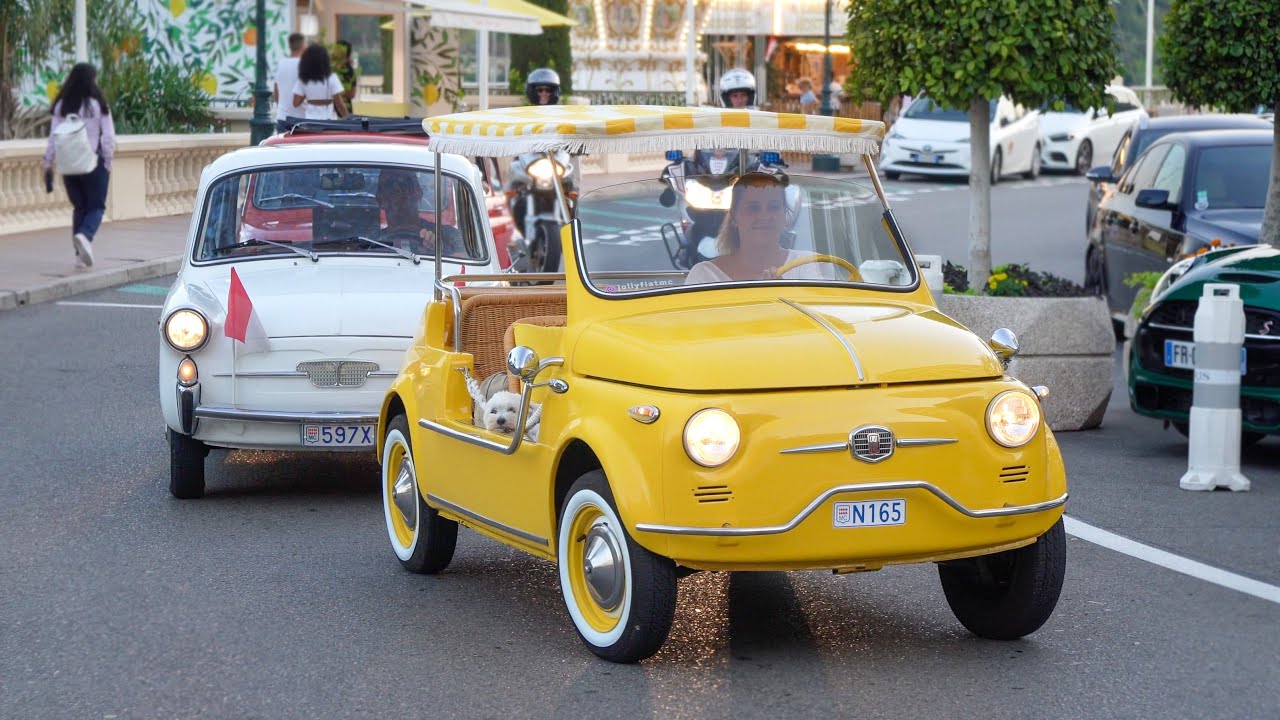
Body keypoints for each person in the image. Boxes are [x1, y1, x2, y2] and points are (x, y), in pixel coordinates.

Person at [684, 173, 829, 284]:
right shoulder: (705, 276)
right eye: (753, 208)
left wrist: (784, 291)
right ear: (734, 217)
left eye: (773, 207)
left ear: (784, 215)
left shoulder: (810, 265)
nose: (764, 216)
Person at [42, 62, 115, 268]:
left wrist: (47, 161)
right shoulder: (98, 105)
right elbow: (108, 137)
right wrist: (107, 160)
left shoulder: (62, 105)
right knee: (97, 207)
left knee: (80, 207)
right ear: (91, 81)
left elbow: (53, 138)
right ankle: (85, 235)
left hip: (68, 165)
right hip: (93, 162)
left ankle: (79, 256)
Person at [375, 169, 465, 256]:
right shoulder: (370, 242)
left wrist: (440, 249)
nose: (400, 194)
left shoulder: (447, 235)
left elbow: (464, 258)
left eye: (407, 186)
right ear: (380, 199)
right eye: (390, 187)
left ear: (418, 193)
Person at [291, 43, 347, 120]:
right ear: (325, 60)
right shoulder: (332, 78)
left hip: (310, 121)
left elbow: (295, 103)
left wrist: (309, 101)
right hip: (329, 121)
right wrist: (347, 118)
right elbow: (339, 104)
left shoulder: (303, 79)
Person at [273, 32, 305, 133]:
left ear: (289, 46)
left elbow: (276, 91)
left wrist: (282, 108)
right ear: (303, 45)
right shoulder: (305, 64)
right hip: (302, 119)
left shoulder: (281, 64)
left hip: (282, 117)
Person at [332, 40, 358, 106]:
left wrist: (336, 92)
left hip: (345, 107)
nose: (334, 51)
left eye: (337, 49)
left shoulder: (349, 71)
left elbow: (352, 94)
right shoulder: (331, 69)